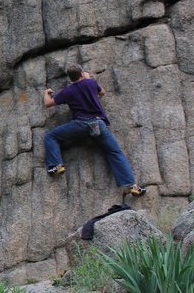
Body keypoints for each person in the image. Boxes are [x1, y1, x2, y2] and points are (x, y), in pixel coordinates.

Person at [43, 64, 146, 196]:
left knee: (51, 137)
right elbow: (102, 92)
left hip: (80, 125)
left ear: (70, 78)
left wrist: (46, 93)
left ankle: (56, 165)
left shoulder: (68, 91)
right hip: (98, 124)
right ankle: (133, 186)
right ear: (82, 74)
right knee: (115, 152)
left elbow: (48, 104)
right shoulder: (90, 83)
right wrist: (88, 78)